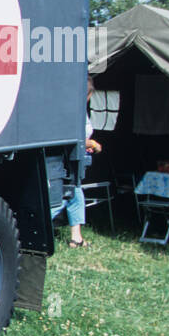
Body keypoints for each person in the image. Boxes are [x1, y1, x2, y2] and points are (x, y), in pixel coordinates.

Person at [56, 77, 102, 247]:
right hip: (65, 158)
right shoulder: (72, 109)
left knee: (75, 192)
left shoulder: (79, 109)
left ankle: (76, 237)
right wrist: (93, 144)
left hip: (76, 155)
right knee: (65, 193)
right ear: (88, 93)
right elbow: (74, 136)